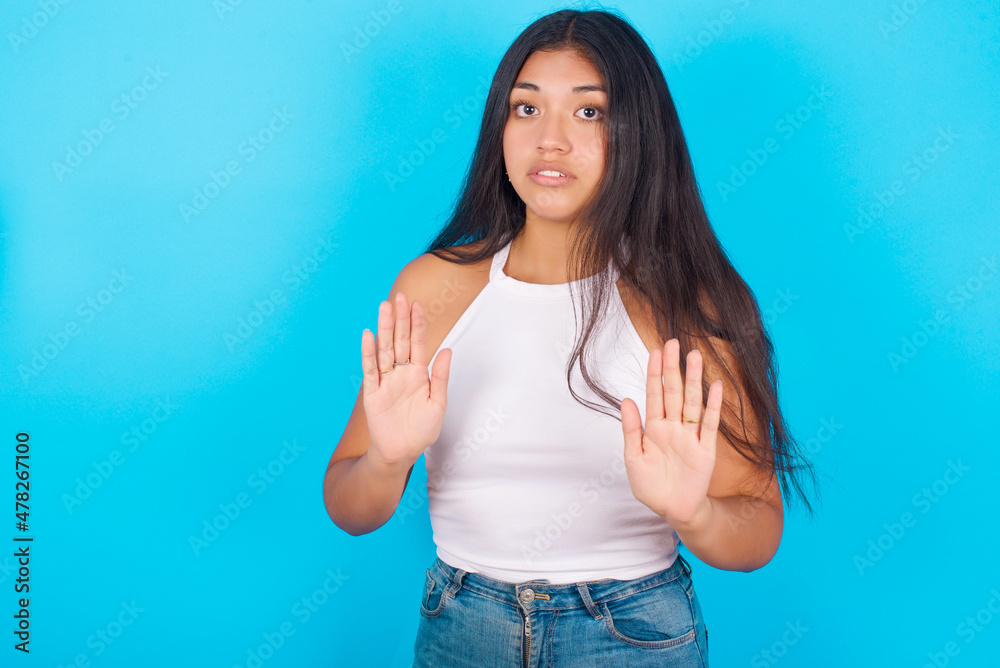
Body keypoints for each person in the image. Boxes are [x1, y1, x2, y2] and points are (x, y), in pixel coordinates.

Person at [322, 8, 817, 667]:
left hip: (632, 634)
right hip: (461, 628)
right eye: (526, 109)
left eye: (588, 112)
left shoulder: (688, 304)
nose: (550, 140)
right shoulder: (432, 286)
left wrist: (694, 513)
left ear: (637, 131)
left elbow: (757, 532)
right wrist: (387, 461)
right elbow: (349, 506)